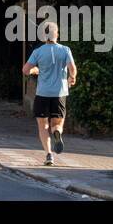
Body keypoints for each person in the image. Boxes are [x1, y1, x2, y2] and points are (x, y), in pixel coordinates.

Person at [21, 21, 76, 166]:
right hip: (59, 93)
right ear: (57, 34)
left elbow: (25, 70)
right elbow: (73, 69)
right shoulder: (65, 50)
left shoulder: (38, 52)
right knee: (57, 124)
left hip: (42, 93)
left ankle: (49, 154)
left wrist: (35, 70)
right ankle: (57, 132)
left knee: (42, 126)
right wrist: (72, 78)